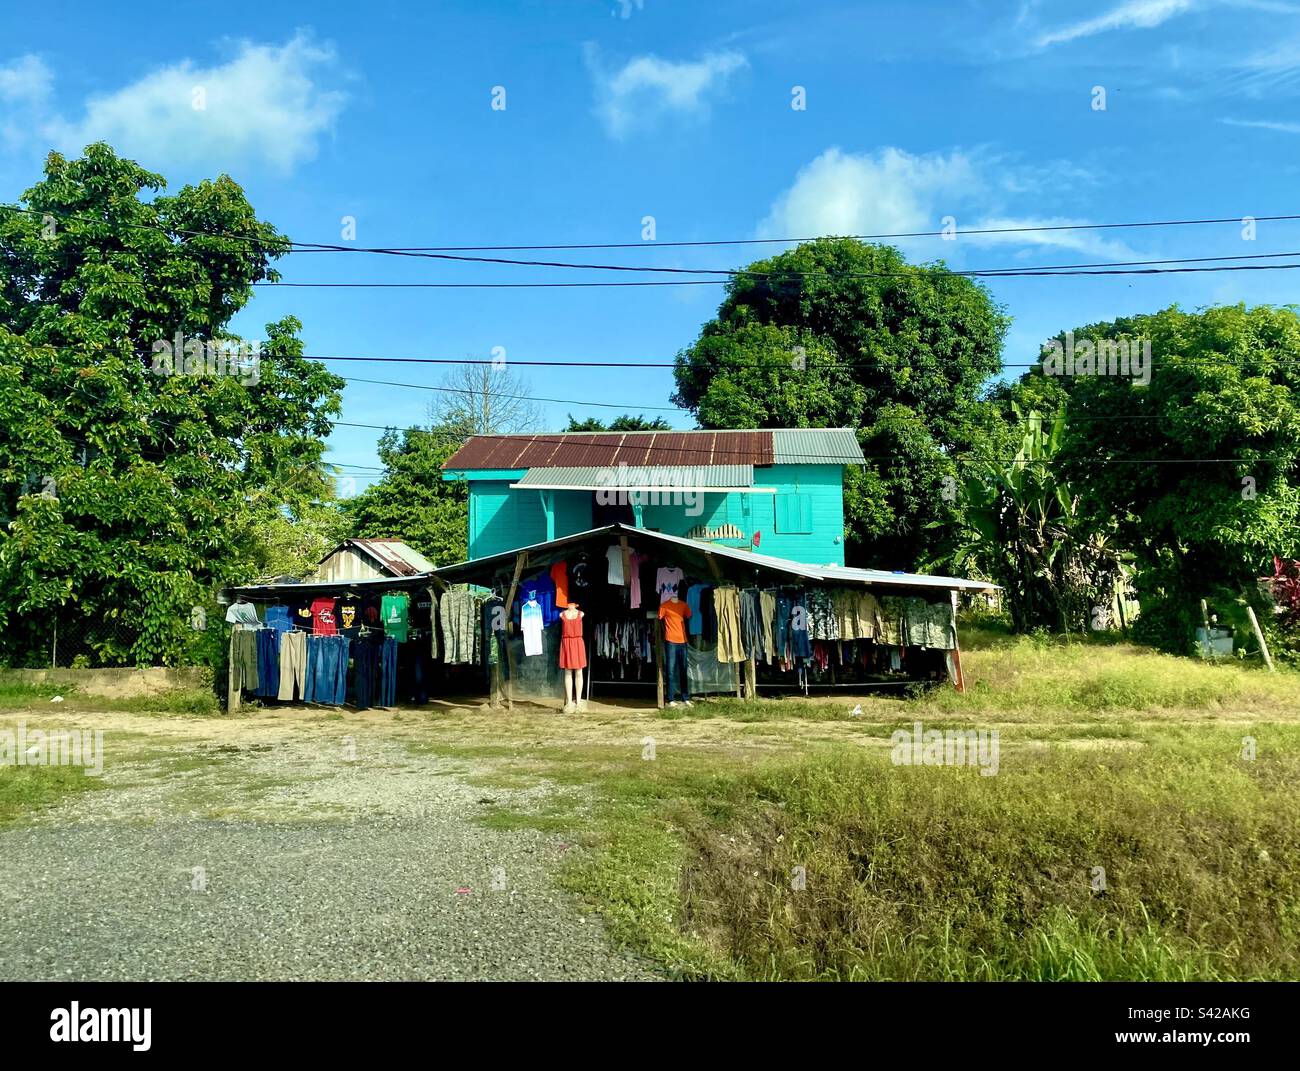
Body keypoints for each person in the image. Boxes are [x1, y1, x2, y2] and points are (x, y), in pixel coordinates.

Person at [658, 592, 692, 707]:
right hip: (671, 640)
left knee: (683, 669)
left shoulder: (683, 605)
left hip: (683, 641)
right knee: (670, 670)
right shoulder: (664, 606)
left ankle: (685, 697)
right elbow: (659, 619)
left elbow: (689, 615)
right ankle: (671, 699)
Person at [559, 602, 587, 714]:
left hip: (578, 642)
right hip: (566, 643)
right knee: (568, 672)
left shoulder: (581, 614)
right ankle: (570, 701)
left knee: (579, 671)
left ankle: (579, 701)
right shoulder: (562, 614)